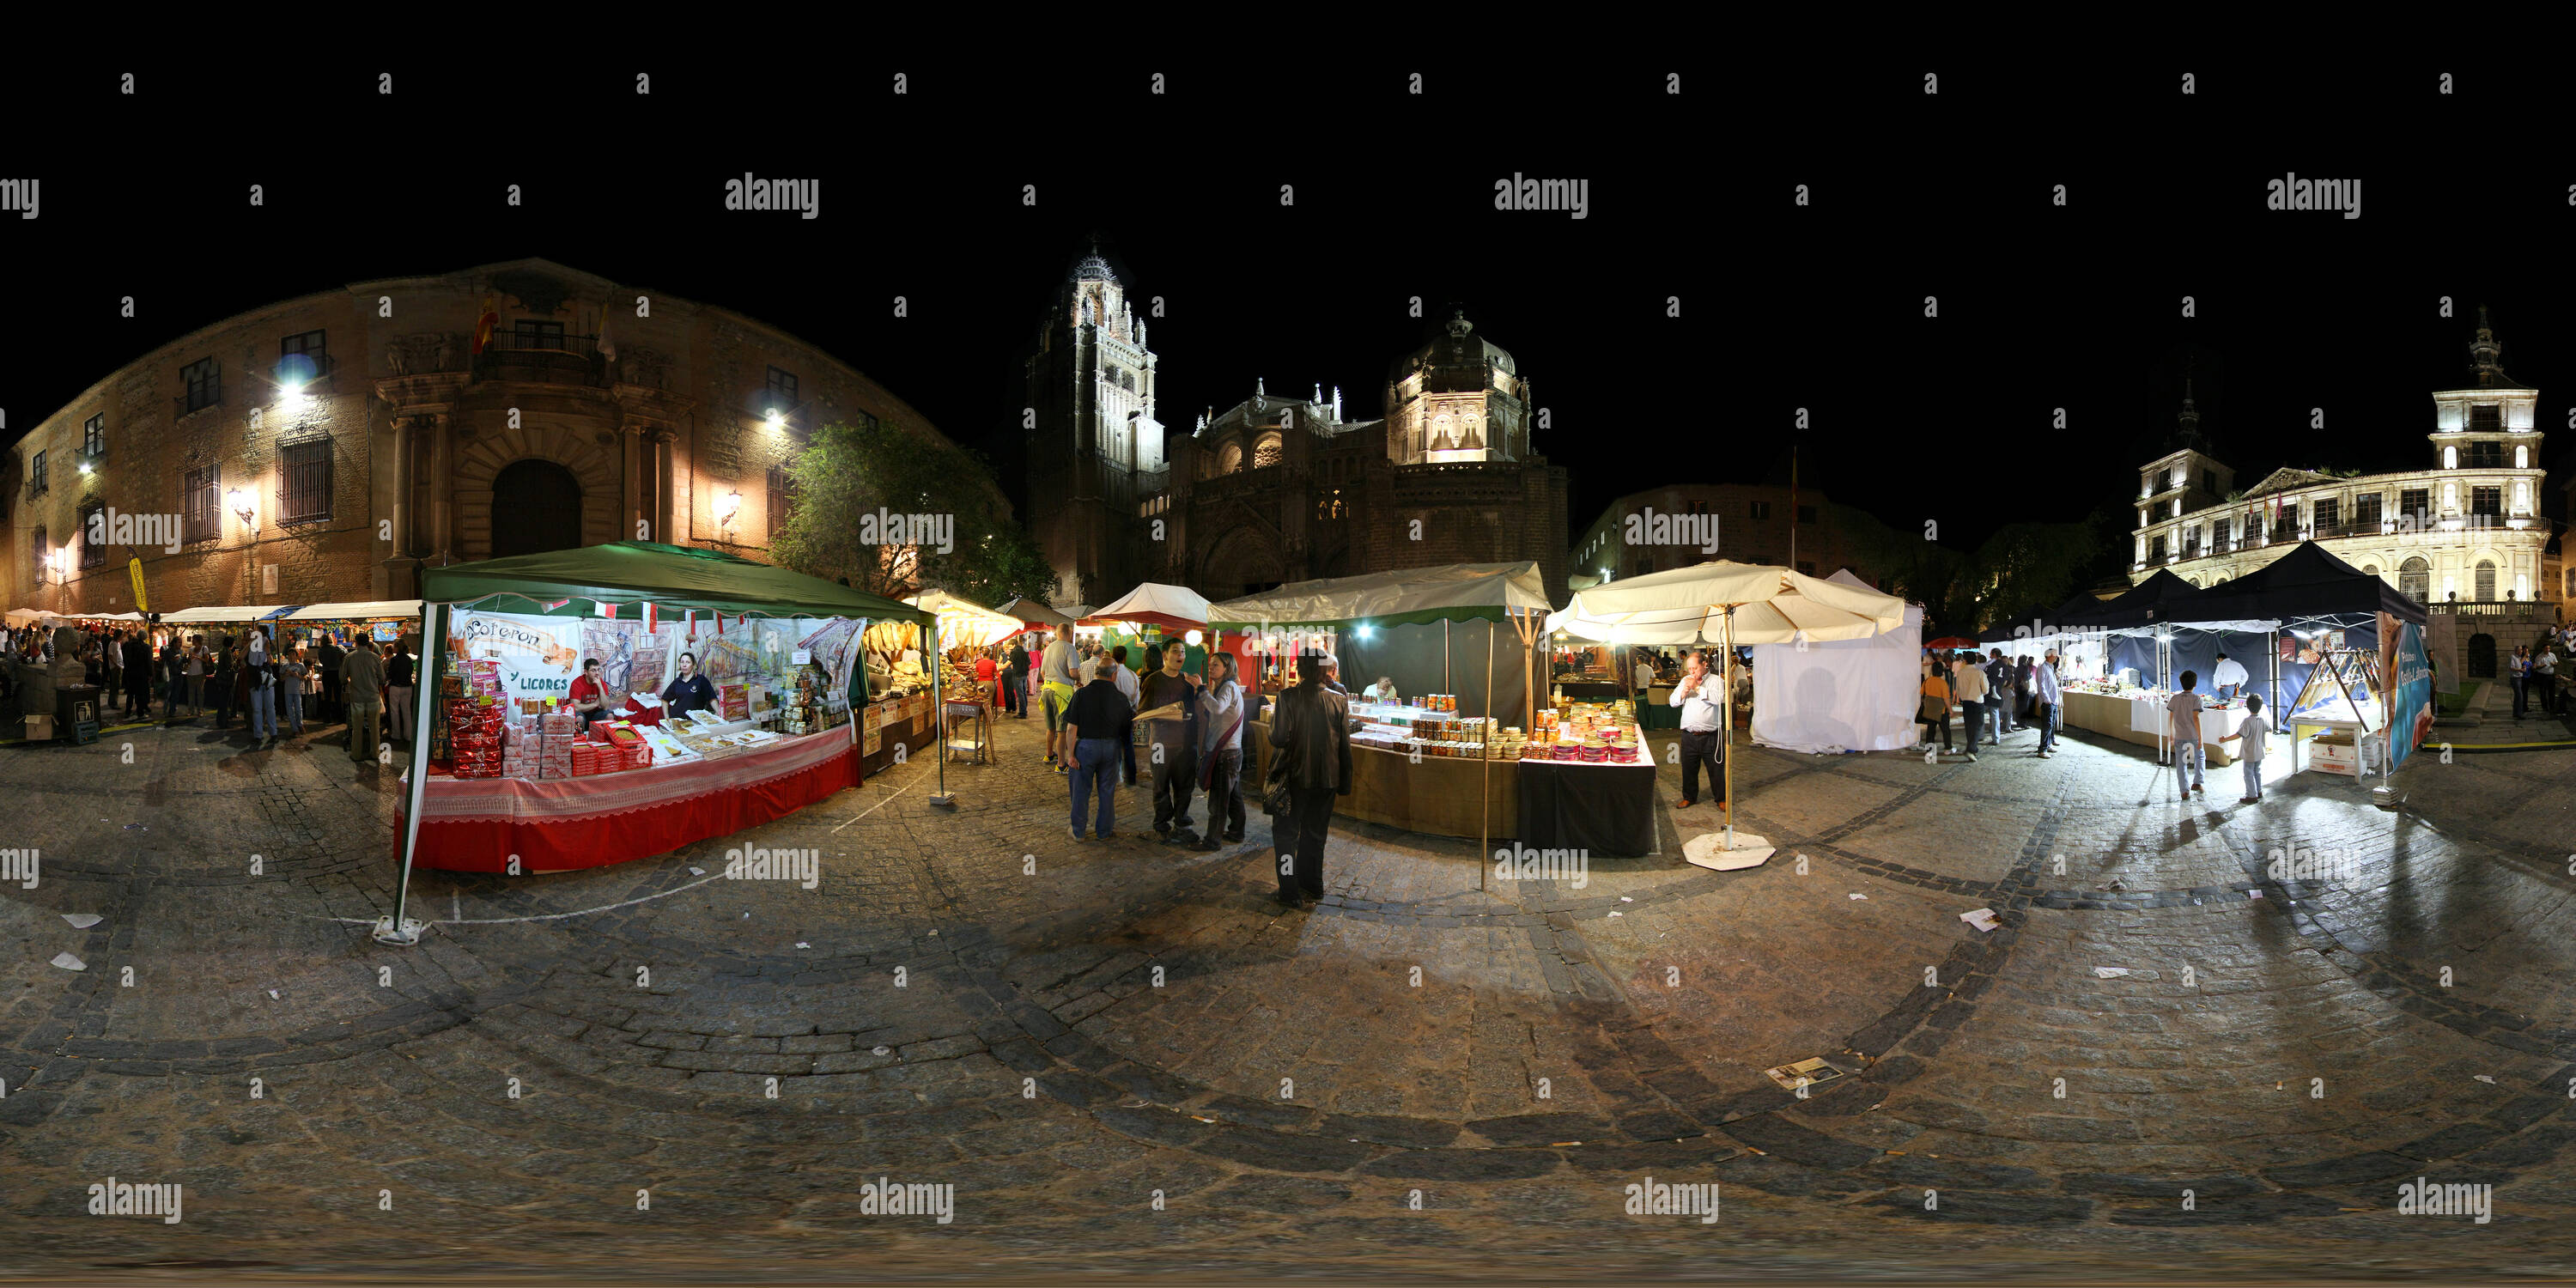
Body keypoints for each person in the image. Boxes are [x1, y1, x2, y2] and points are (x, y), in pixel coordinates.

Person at [1266, 652, 1352, 907]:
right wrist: (1345, 782)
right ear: (1325, 671)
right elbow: (1344, 746)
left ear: (1300, 669)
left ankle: (1289, 891)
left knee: (1285, 836)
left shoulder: (1287, 697)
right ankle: (1313, 885)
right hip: (1328, 779)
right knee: (1315, 835)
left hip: (1294, 778)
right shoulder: (1339, 700)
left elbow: (1278, 738)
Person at [1062, 656, 1133, 841]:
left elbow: (1071, 729)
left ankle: (1078, 831)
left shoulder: (1082, 694)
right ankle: (1104, 831)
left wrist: (1071, 755)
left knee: (1080, 791)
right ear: (1114, 675)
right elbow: (1127, 731)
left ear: (1096, 673)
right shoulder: (1121, 698)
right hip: (1111, 747)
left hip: (1086, 747)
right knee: (1107, 791)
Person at [1140, 643, 1201, 842]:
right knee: (1160, 784)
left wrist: (1198, 690)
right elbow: (1142, 711)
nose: (1180, 655)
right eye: (1176, 651)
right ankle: (1161, 825)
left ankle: (1182, 822)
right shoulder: (1153, 680)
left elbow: (1196, 710)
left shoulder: (1187, 682)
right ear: (1165, 655)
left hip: (1185, 743)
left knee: (1185, 786)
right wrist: (1164, 715)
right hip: (1159, 743)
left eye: (1183, 652)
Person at [1194, 651, 1248, 849]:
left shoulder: (1228, 687)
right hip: (1231, 751)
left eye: (1215, 665)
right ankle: (1236, 831)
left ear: (1227, 667)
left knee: (1218, 801)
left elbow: (1217, 708)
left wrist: (1201, 689)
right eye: (1210, 664)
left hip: (1225, 753)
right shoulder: (1225, 687)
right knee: (1233, 796)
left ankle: (1212, 841)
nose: (1211, 668)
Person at [1669, 650, 1727, 809]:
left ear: (1704, 664)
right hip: (1689, 735)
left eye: (1695, 668)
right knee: (1688, 769)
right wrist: (1683, 692)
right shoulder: (1685, 680)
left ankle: (1721, 799)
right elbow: (1672, 702)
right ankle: (1689, 797)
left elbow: (1718, 699)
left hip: (1711, 736)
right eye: (1689, 669)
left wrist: (1697, 688)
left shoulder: (1716, 681)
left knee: (1716, 770)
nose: (1692, 672)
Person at [2217, 693, 2270, 803]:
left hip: (2250, 753)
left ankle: (2251, 795)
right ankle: (2259, 791)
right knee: (2257, 771)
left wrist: (2225, 739)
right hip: (2260, 751)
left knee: (2248, 773)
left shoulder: (2247, 721)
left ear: (2247, 706)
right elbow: (2268, 729)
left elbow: (2239, 734)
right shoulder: (2263, 719)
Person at [1040, 626, 1079, 769]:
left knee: (1050, 727)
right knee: (1062, 730)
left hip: (1046, 689)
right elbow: (1073, 672)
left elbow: (1042, 672)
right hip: (1061, 693)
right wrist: (1079, 678)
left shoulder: (1048, 648)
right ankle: (1061, 764)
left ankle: (1049, 754)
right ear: (1069, 633)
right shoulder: (1070, 648)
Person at [343, 638, 385, 763]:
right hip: (372, 697)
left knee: (357, 727)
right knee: (374, 727)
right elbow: (382, 678)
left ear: (356, 642)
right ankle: (375, 753)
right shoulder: (375, 658)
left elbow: (342, 677)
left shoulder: (349, 657)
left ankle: (356, 754)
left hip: (357, 697)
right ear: (367, 643)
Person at [2167, 668, 2205, 799]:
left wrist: (2171, 733)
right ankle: (2198, 782)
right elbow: (2196, 717)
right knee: (2200, 757)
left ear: (2181, 682)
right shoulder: (2197, 699)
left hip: (2180, 736)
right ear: (2195, 684)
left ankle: (2184, 790)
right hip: (2193, 736)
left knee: (2181, 763)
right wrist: (2200, 737)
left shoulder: (2175, 698)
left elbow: (2171, 716)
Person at [1109, 645, 1141, 787]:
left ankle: (1115, 776)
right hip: (1127, 713)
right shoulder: (1133, 675)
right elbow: (1137, 699)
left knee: (1113, 744)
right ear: (1125, 657)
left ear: (1112, 656)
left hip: (1111, 713)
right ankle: (1131, 777)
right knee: (1128, 745)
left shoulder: (1109, 673)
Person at [1949, 651, 1987, 761]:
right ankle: (1970, 749)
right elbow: (1985, 689)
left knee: (1969, 726)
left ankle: (1973, 749)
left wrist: (1962, 696)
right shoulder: (1979, 673)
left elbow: (1958, 689)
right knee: (1978, 725)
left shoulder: (1961, 672)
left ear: (1964, 660)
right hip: (1977, 701)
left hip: (1966, 702)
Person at [662, 650, 717, 721]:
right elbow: (665, 699)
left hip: (695, 721)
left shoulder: (701, 680)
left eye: (687, 662)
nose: (684, 665)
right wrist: (667, 717)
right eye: (682, 662)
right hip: (677, 719)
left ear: (693, 665)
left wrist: (718, 713)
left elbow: (712, 698)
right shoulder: (677, 681)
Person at [383, 637, 416, 744]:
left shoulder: (394, 660)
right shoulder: (408, 659)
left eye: (394, 646)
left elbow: (391, 674)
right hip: (408, 687)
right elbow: (410, 671)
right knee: (407, 711)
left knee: (394, 711)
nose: (393, 647)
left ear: (397, 647)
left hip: (396, 687)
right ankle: (409, 735)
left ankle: (396, 735)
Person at [1917, 658, 1953, 753]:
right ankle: (1948, 749)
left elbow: (1922, 694)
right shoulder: (1943, 683)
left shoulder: (1927, 681)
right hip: (1941, 710)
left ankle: (1929, 750)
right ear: (1941, 671)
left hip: (1930, 709)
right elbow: (1946, 698)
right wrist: (1950, 710)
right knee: (1945, 730)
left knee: (1930, 730)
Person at [2031, 649, 2062, 757]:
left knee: (2051, 724)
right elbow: (2041, 685)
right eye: (2055, 655)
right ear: (2049, 656)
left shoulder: (2050, 667)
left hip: (2053, 700)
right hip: (2048, 701)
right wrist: (2047, 699)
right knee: (2047, 725)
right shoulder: (2043, 667)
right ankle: (2042, 749)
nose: (2056, 657)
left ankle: (2047, 744)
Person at [569, 657, 609, 731]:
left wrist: (600, 687)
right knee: (579, 718)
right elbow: (576, 707)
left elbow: (606, 706)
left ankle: (602, 740)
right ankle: (580, 739)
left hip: (595, 714)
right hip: (581, 713)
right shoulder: (577, 683)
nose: (597, 673)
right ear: (586, 672)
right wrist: (595, 704)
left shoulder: (601, 683)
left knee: (609, 715)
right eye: (593, 670)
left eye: (598, 670)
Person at [280, 647, 308, 735]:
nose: (291, 656)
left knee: (298, 709)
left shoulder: (300, 666)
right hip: (288, 691)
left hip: (297, 690)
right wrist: (286, 675)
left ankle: (300, 724)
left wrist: (298, 676)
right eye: (290, 654)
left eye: (293, 654)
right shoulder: (285, 666)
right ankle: (294, 729)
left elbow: (306, 677)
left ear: (296, 656)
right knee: (290, 710)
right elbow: (281, 679)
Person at [318, 634, 346, 720]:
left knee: (327, 696)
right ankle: (339, 717)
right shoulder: (337, 648)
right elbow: (346, 654)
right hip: (336, 673)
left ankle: (327, 717)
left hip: (326, 673)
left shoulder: (321, 650)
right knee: (337, 696)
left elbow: (321, 661)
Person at [1005, 635, 1030, 718]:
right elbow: (1029, 662)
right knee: (1023, 693)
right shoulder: (1024, 650)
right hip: (1025, 674)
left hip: (1018, 675)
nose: (1009, 648)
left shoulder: (1014, 651)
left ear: (1013, 644)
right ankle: (1024, 710)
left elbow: (1009, 662)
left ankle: (1023, 713)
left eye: (1009, 646)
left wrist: (1000, 668)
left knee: (1020, 694)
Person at [2535, 642, 2560, 718]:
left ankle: (2552, 707)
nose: (2548, 650)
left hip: (2551, 675)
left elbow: (2556, 663)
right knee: (2543, 692)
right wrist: (2543, 666)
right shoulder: (2539, 657)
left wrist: (2554, 664)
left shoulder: (2552, 655)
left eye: (2549, 648)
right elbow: (2537, 667)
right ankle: (2545, 707)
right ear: (2543, 649)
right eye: (2546, 648)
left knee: (2552, 692)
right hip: (2542, 676)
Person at [2509, 645, 2530, 720]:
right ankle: (2520, 713)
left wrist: (2522, 668)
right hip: (2515, 678)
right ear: (2516, 650)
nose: (2521, 651)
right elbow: (2512, 667)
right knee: (2520, 696)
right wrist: (2520, 670)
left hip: (2519, 678)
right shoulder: (2513, 657)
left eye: (2521, 650)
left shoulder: (2519, 658)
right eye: (2520, 650)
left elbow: (2519, 666)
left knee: (2517, 696)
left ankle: (2515, 713)